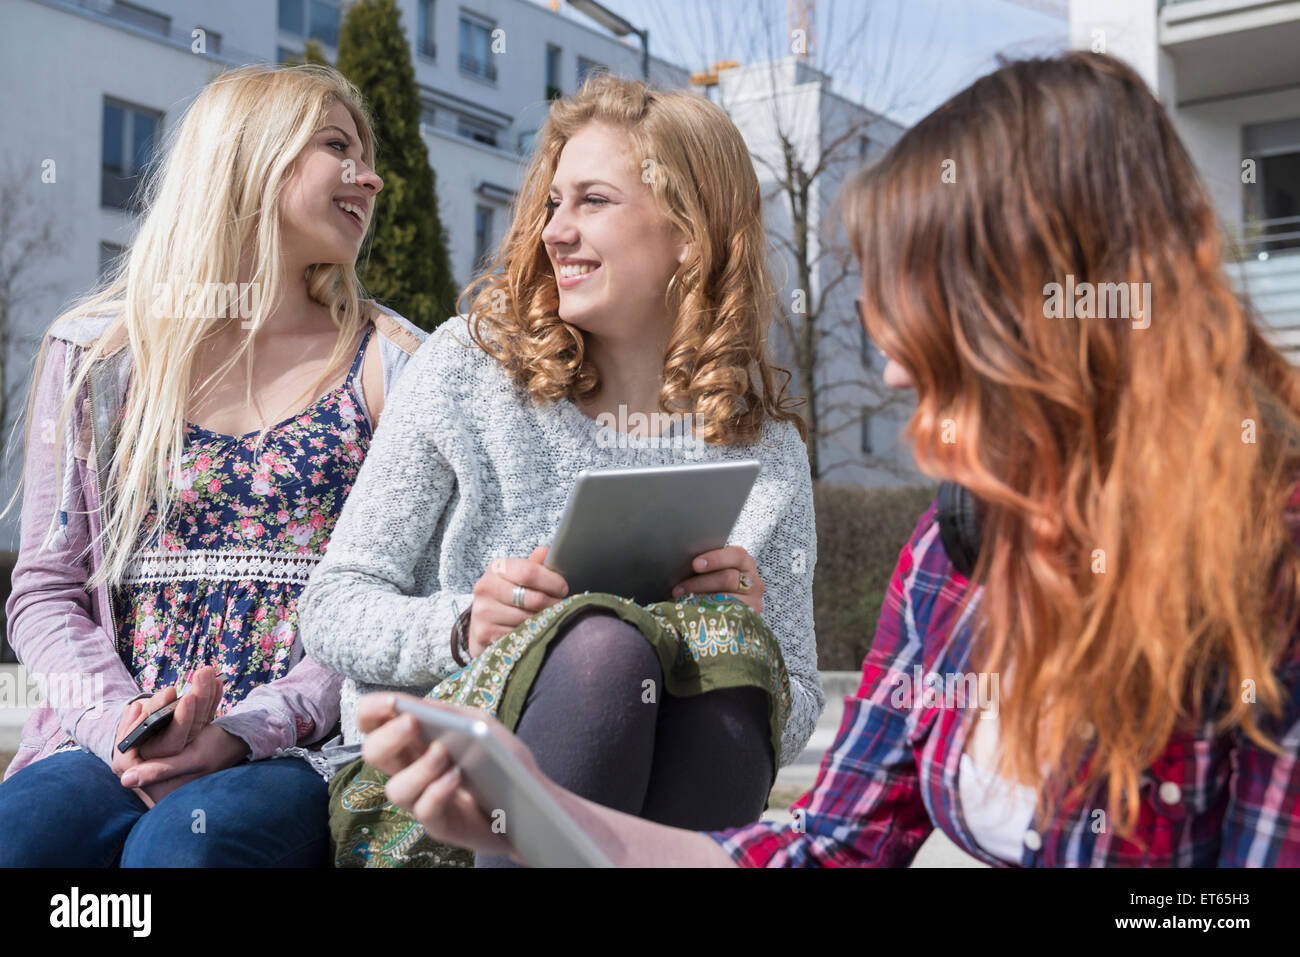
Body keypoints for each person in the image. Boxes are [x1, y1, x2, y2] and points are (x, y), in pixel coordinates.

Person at [354, 51, 1300, 867]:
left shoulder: (1274, 568)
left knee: (720, 650)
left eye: (921, 318)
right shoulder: (950, 559)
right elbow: (828, 846)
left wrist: (741, 627)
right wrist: (546, 819)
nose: (888, 368)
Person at [298, 73, 823, 868]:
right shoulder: (469, 370)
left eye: (593, 202)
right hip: (426, 793)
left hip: (652, 804)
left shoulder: (765, 449)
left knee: (728, 648)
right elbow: (332, 606)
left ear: (691, 231)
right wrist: (460, 626)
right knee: (603, 649)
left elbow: (797, 705)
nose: (556, 230)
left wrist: (754, 630)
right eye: (554, 202)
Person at [0, 64, 427, 867]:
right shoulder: (98, 357)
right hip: (109, 735)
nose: (369, 176)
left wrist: (242, 729)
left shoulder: (397, 366)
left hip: (302, 744)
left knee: (181, 852)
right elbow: (47, 588)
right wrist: (127, 726)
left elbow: (389, 600)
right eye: (338, 147)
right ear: (248, 157)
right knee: (17, 840)